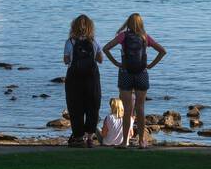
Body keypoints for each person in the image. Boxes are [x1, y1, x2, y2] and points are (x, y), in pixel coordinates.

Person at [103, 13, 166, 148]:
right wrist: (150, 66)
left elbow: (105, 48)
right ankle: (142, 141)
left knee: (127, 110)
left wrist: (116, 63)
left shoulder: (123, 36)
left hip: (125, 73)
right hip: (141, 74)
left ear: (128, 23)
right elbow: (162, 51)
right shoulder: (145, 37)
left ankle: (125, 142)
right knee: (140, 109)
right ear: (141, 23)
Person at [62, 14, 103, 148]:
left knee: (75, 107)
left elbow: (66, 60)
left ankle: (79, 137)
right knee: (93, 106)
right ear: (90, 27)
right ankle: (90, 138)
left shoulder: (70, 42)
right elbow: (100, 60)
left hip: (74, 77)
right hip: (92, 78)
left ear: (74, 26)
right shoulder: (94, 42)